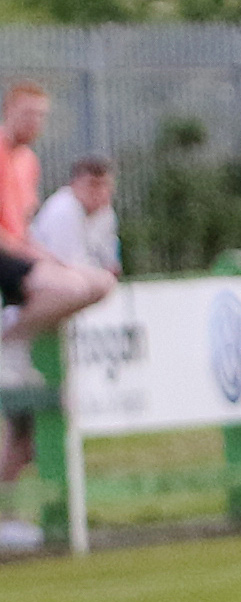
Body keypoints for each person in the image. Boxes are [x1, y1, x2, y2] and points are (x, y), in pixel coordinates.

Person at [0, 85, 115, 544]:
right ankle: (12, 341)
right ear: (9, 111)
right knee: (78, 284)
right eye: (29, 114)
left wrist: (48, 260)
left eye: (42, 116)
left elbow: (22, 229)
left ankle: (6, 514)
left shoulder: (28, 164)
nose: (36, 124)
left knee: (25, 433)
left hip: (19, 267)